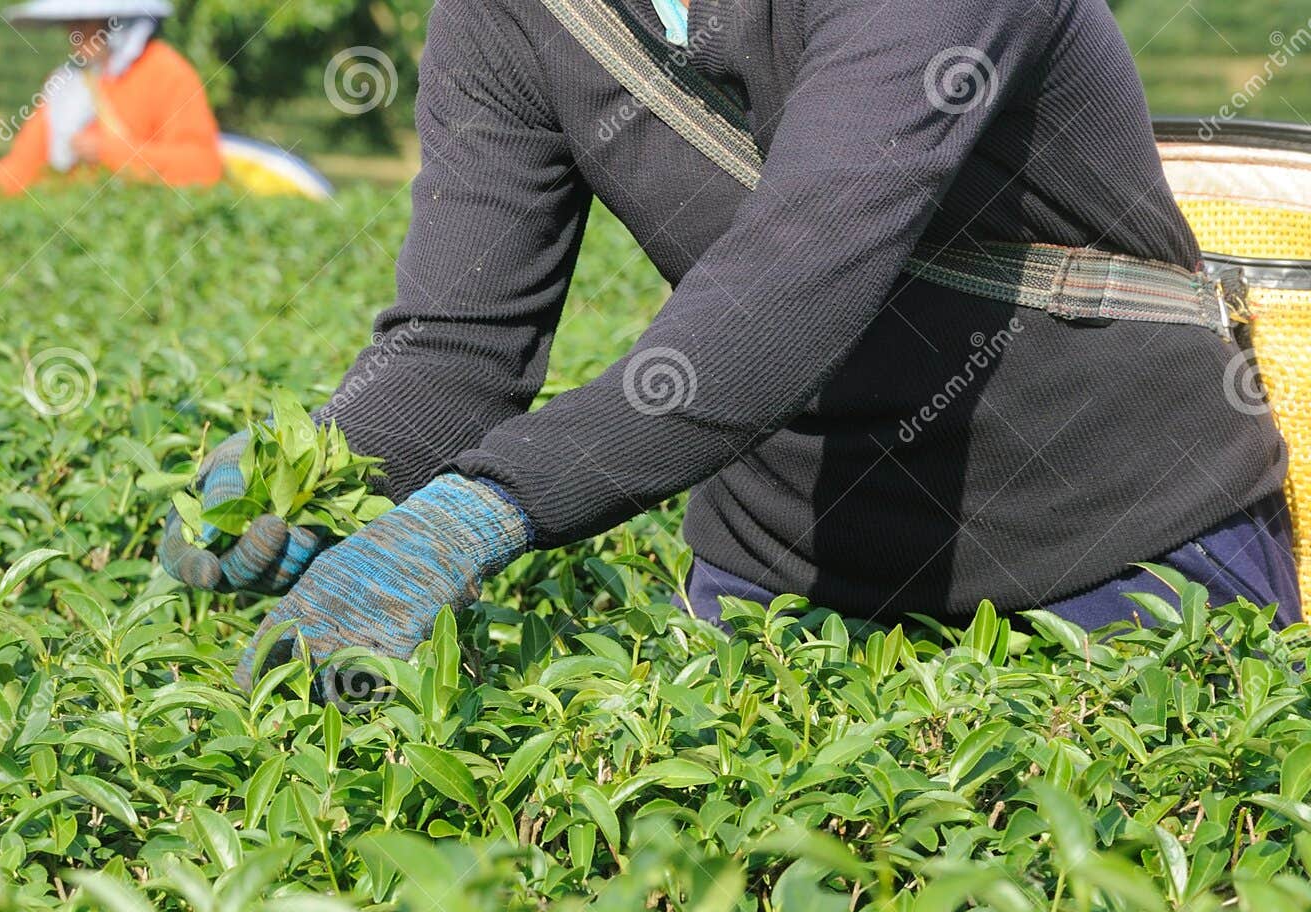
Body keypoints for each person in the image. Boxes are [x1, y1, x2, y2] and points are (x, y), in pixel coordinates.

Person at [160, 0, 1300, 691]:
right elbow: (455, 344)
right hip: (780, 581)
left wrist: (478, 511)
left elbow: (796, 276)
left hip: (1113, 553)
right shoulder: (511, 18)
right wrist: (317, 470)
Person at [0, 0, 221, 195]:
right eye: (69, 23)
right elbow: (23, 168)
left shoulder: (168, 73)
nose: (73, 33)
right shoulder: (69, 83)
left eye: (84, 22)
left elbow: (202, 168)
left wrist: (109, 153)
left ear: (118, 23)